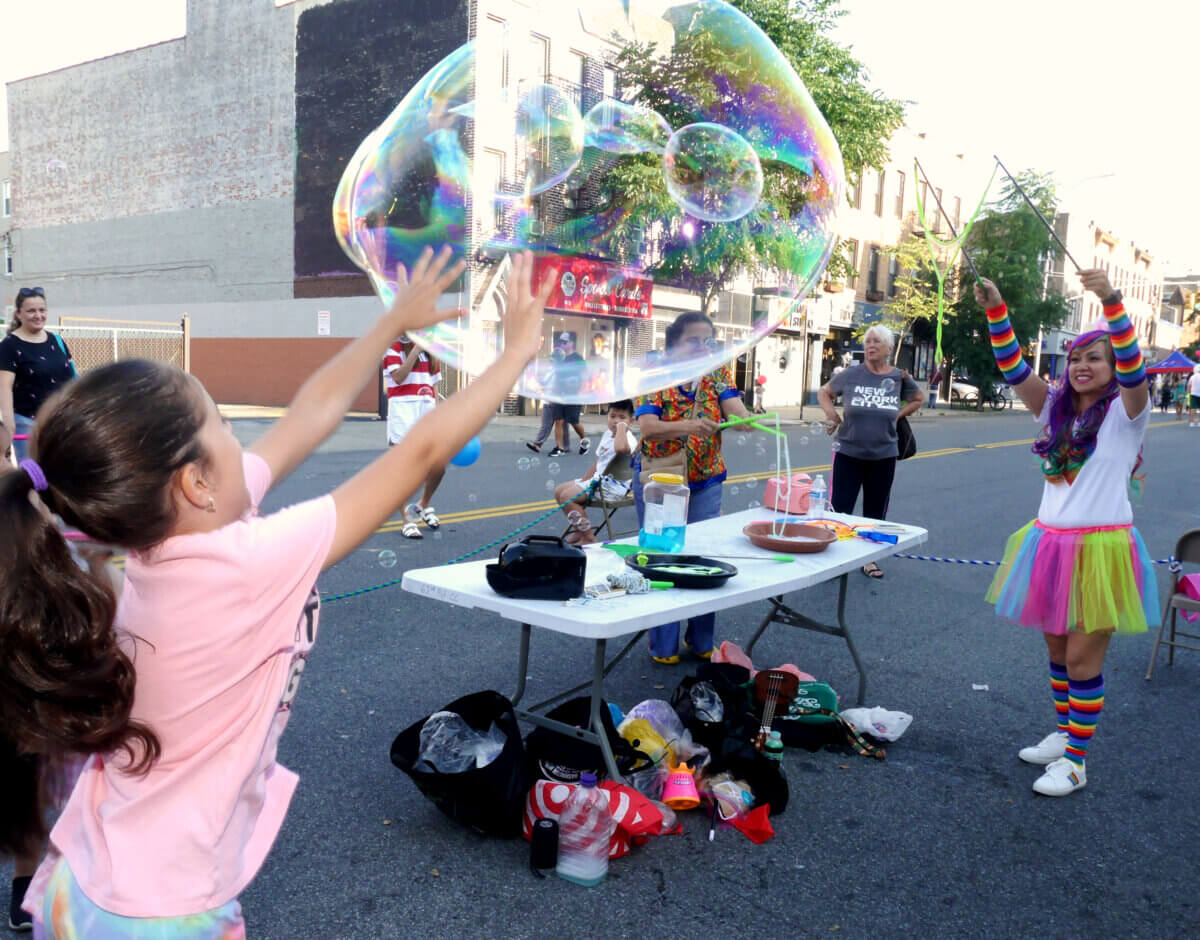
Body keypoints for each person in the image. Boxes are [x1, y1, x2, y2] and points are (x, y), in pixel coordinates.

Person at [0, 248, 550, 931]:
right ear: (195, 483)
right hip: (161, 907)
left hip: (94, 876)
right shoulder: (241, 566)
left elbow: (310, 413)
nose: (241, 439)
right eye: (225, 426)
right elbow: (419, 452)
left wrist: (389, 326)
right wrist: (516, 353)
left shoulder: (174, 534)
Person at [977, 269, 1154, 797]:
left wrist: (1111, 300)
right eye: (1076, 358)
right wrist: (996, 310)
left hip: (1102, 550)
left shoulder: (1128, 413)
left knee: (1082, 658)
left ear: (1113, 369)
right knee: (1057, 651)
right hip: (1049, 544)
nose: (1081, 365)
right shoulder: (1053, 411)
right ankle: (1063, 733)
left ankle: (1077, 761)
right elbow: (1014, 368)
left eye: (1094, 358)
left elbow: (1134, 367)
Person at [633, 312, 758, 663]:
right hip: (664, 479)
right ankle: (663, 645)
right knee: (664, 556)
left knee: (702, 555)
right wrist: (690, 426)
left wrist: (746, 420)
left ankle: (701, 639)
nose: (703, 347)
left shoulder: (717, 372)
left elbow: (734, 409)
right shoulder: (655, 373)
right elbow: (648, 427)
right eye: (693, 340)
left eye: (708, 341)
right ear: (674, 342)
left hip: (707, 477)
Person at [817, 324, 923, 578]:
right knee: (839, 509)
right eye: (868, 341)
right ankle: (834, 559)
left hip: (883, 455)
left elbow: (919, 398)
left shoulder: (899, 377)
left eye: (877, 341)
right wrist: (832, 415)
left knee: (875, 512)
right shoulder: (851, 374)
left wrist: (898, 414)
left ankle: (869, 560)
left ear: (889, 348)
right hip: (848, 453)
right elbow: (824, 392)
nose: (871, 345)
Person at [0, 287, 76, 463]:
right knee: (34, 475)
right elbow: (4, 386)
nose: (38, 315)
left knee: (63, 473)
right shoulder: (9, 346)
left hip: (62, 423)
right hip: (28, 425)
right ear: (18, 314)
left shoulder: (57, 340)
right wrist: (9, 424)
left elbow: (73, 377)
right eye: (31, 311)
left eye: (42, 310)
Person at [384, 335, 444, 538]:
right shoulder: (393, 348)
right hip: (403, 409)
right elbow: (398, 377)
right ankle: (406, 520)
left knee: (438, 465)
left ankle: (423, 505)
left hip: (426, 409)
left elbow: (434, 387)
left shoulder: (431, 353)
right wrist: (415, 351)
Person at [554, 400, 636, 545]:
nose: (616, 421)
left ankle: (588, 537)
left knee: (567, 496)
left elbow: (620, 449)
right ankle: (579, 530)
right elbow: (597, 463)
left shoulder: (627, 439)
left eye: (622, 418)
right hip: (598, 481)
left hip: (612, 488)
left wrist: (622, 429)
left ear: (631, 421)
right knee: (559, 491)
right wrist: (583, 482)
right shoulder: (607, 434)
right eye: (612, 416)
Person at [548, 332, 590, 458]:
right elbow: (556, 376)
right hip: (559, 394)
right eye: (561, 342)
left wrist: (581, 392)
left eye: (565, 342)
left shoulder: (578, 358)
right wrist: (551, 395)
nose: (562, 344)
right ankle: (559, 448)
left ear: (572, 343)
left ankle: (584, 441)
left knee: (573, 421)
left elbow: (585, 375)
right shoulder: (559, 358)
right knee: (558, 420)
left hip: (573, 394)